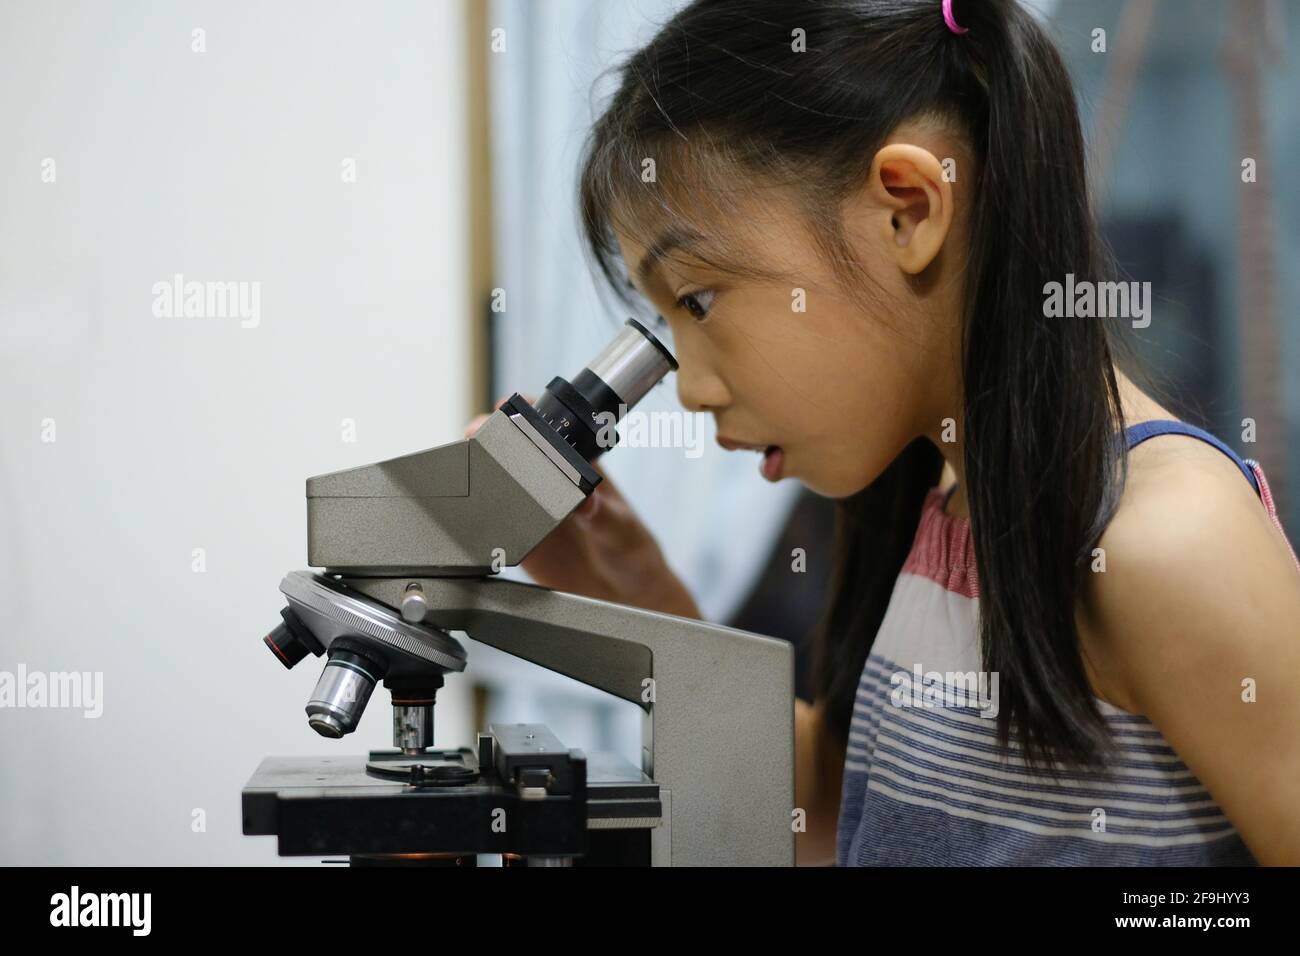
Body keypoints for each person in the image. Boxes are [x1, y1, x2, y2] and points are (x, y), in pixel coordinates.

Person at [469, 0, 1300, 865]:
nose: (692, 387)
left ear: (907, 210)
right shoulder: (942, 505)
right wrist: (637, 597)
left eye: (700, 300)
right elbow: (827, 812)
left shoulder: (1165, 545)